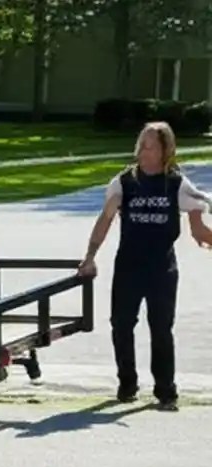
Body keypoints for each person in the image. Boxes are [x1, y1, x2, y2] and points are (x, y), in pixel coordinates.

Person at [78, 121, 212, 411]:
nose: (143, 150)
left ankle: (166, 391)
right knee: (121, 326)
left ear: (165, 150)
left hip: (161, 269)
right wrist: (89, 257)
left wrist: (204, 233)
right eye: (141, 144)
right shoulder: (124, 183)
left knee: (161, 328)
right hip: (128, 266)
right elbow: (105, 220)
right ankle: (127, 383)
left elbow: (199, 225)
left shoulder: (176, 184)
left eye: (150, 146)